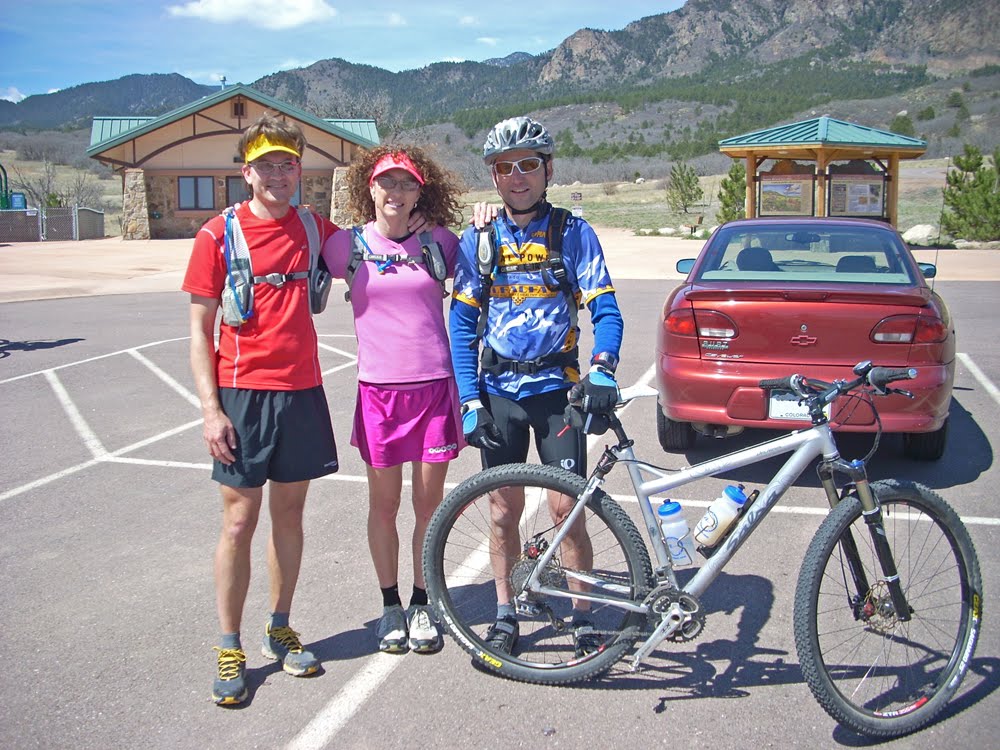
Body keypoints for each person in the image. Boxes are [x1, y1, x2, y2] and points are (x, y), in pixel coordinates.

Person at [449, 116, 624, 658]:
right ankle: (505, 612)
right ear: (494, 177)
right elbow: (460, 325)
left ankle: (583, 613)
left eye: (528, 164)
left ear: (547, 169)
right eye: (505, 167)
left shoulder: (574, 233)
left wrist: (602, 368)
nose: (517, 176)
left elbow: (606, 309)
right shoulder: (479, 238)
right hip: (498, 391)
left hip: (558, 392)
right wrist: (469, 400)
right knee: (502, 510)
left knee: (564, 510)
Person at [183, 113, 340, 706]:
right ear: (246, 172)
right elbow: (198, 331)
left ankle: (280, 626)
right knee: (238, 523)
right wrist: (210, 410)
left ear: (300, 169)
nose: (279, 173)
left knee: (290, 518)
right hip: (242, 396)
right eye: (266, 165)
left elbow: (388, 233)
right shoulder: (216, 235)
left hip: (301, 392)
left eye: (289, 163)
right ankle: (230, 644)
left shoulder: (313, 226)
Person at [320, 145, 464, 655]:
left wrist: (485, 216)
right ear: (370, 188)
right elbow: (296, 234)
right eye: (387, 182)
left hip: (434, 390)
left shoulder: (441, 242)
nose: (395, 193)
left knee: (429, 506)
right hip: (379, 393)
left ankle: (423, 603)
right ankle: (390, 605)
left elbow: (487, 270)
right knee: (383, 506)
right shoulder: (345, 246)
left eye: (406, 184)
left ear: (420, 191)